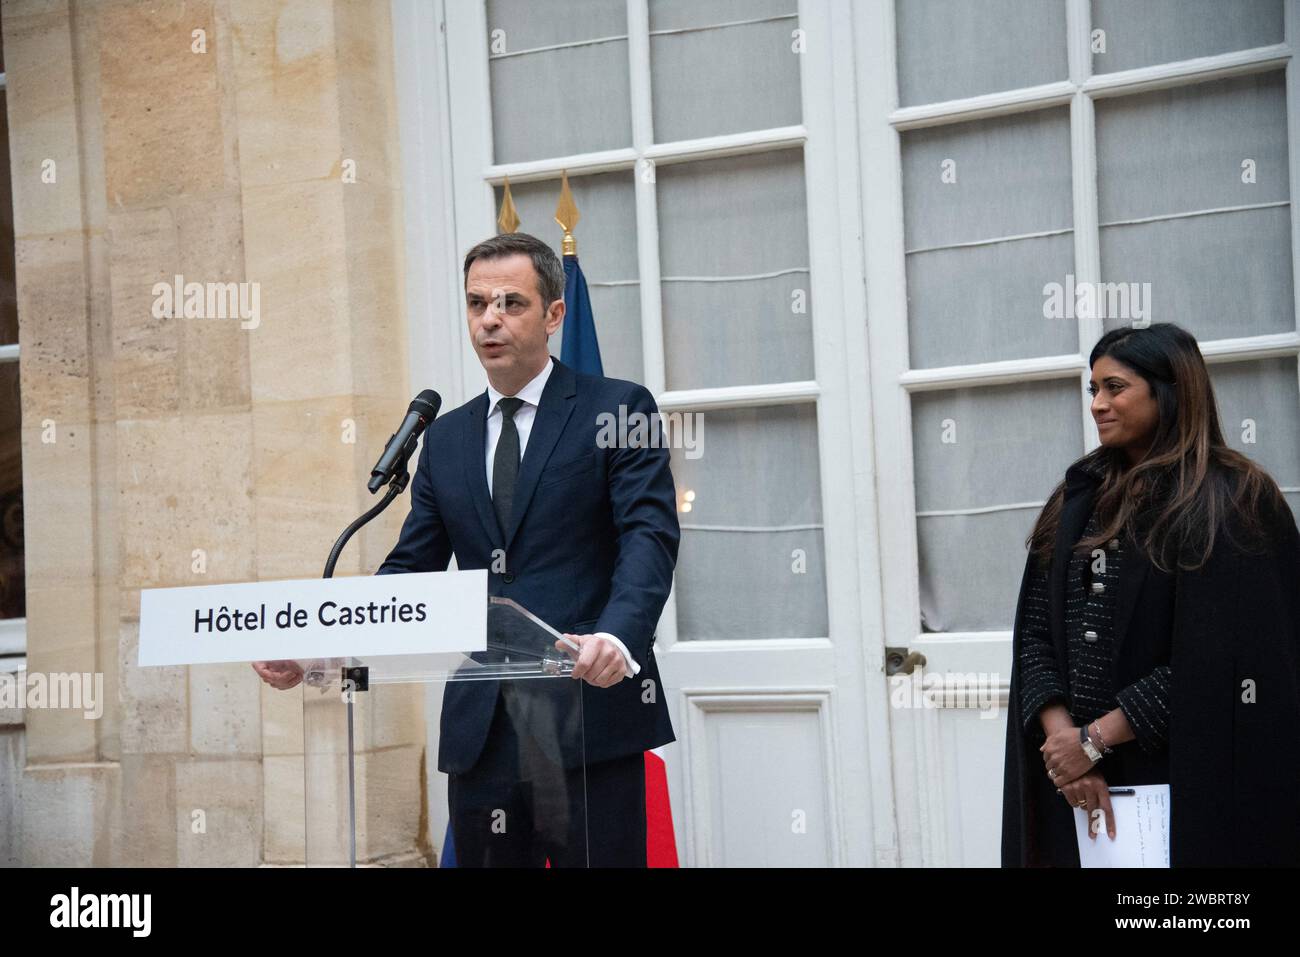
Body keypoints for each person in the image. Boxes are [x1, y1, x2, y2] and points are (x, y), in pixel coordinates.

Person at [255, 232, 679, 866]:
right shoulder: (446, 437)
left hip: (588, 715)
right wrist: (320, 645)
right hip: (484, 734)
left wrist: (618, 638)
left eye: (511, 303)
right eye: (478, 303)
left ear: (554, 315)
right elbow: (411, 572)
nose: (490, 319)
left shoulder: (617, 408)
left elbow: (648, 536)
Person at [1002, 322, 1300, 866]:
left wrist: (1095, 739)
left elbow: (1229, 659)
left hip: (1190, 776)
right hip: (1072, 778)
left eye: (1115, 387)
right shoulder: (1078, 497)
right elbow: (1036, 630)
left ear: (1170, 391)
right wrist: (1065, 746)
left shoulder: (1233, 498)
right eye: (1093, 389)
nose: (1097, 404)